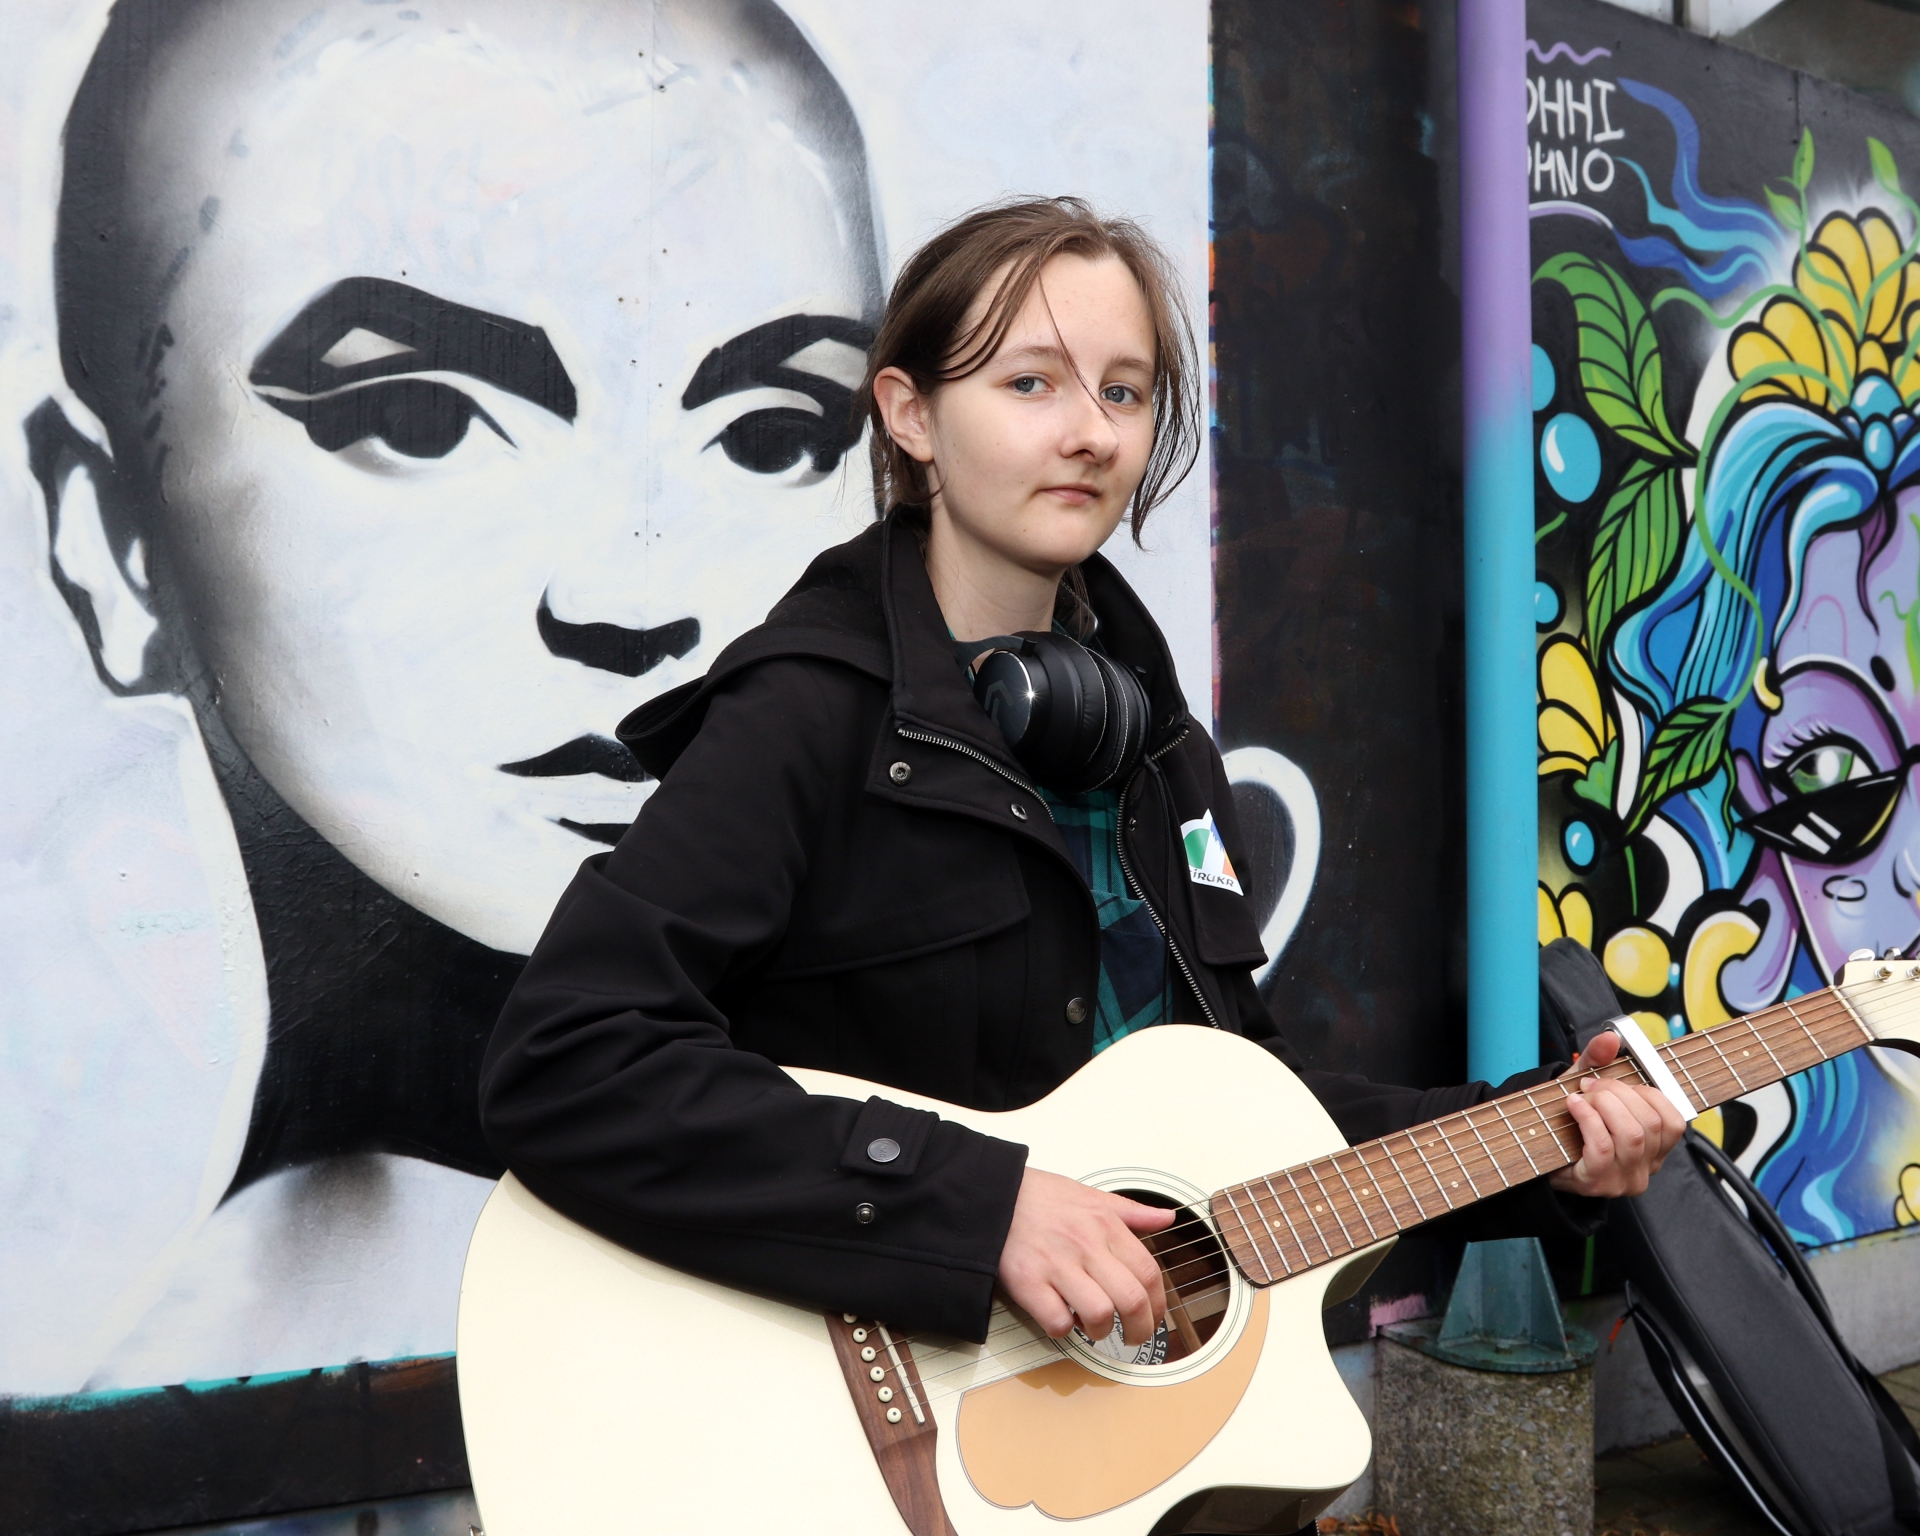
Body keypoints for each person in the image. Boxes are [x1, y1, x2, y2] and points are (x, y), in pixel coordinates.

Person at [481, 197, 1685, 1370]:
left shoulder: (1160, 753)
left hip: (1111, 1436)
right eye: (1030, 383)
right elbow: (568, 1060)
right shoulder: (806, 715)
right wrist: (977, 1207)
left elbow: (1246, 1121)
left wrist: (1540, 1142)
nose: (1093, 434)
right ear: (909, 415)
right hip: (871, 1432)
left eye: (1124, 390)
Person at [27, 0, 881, 1382]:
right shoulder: (250, 1379)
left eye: (775, 434)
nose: (630, 597)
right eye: (418, 419)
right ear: (110, 548)